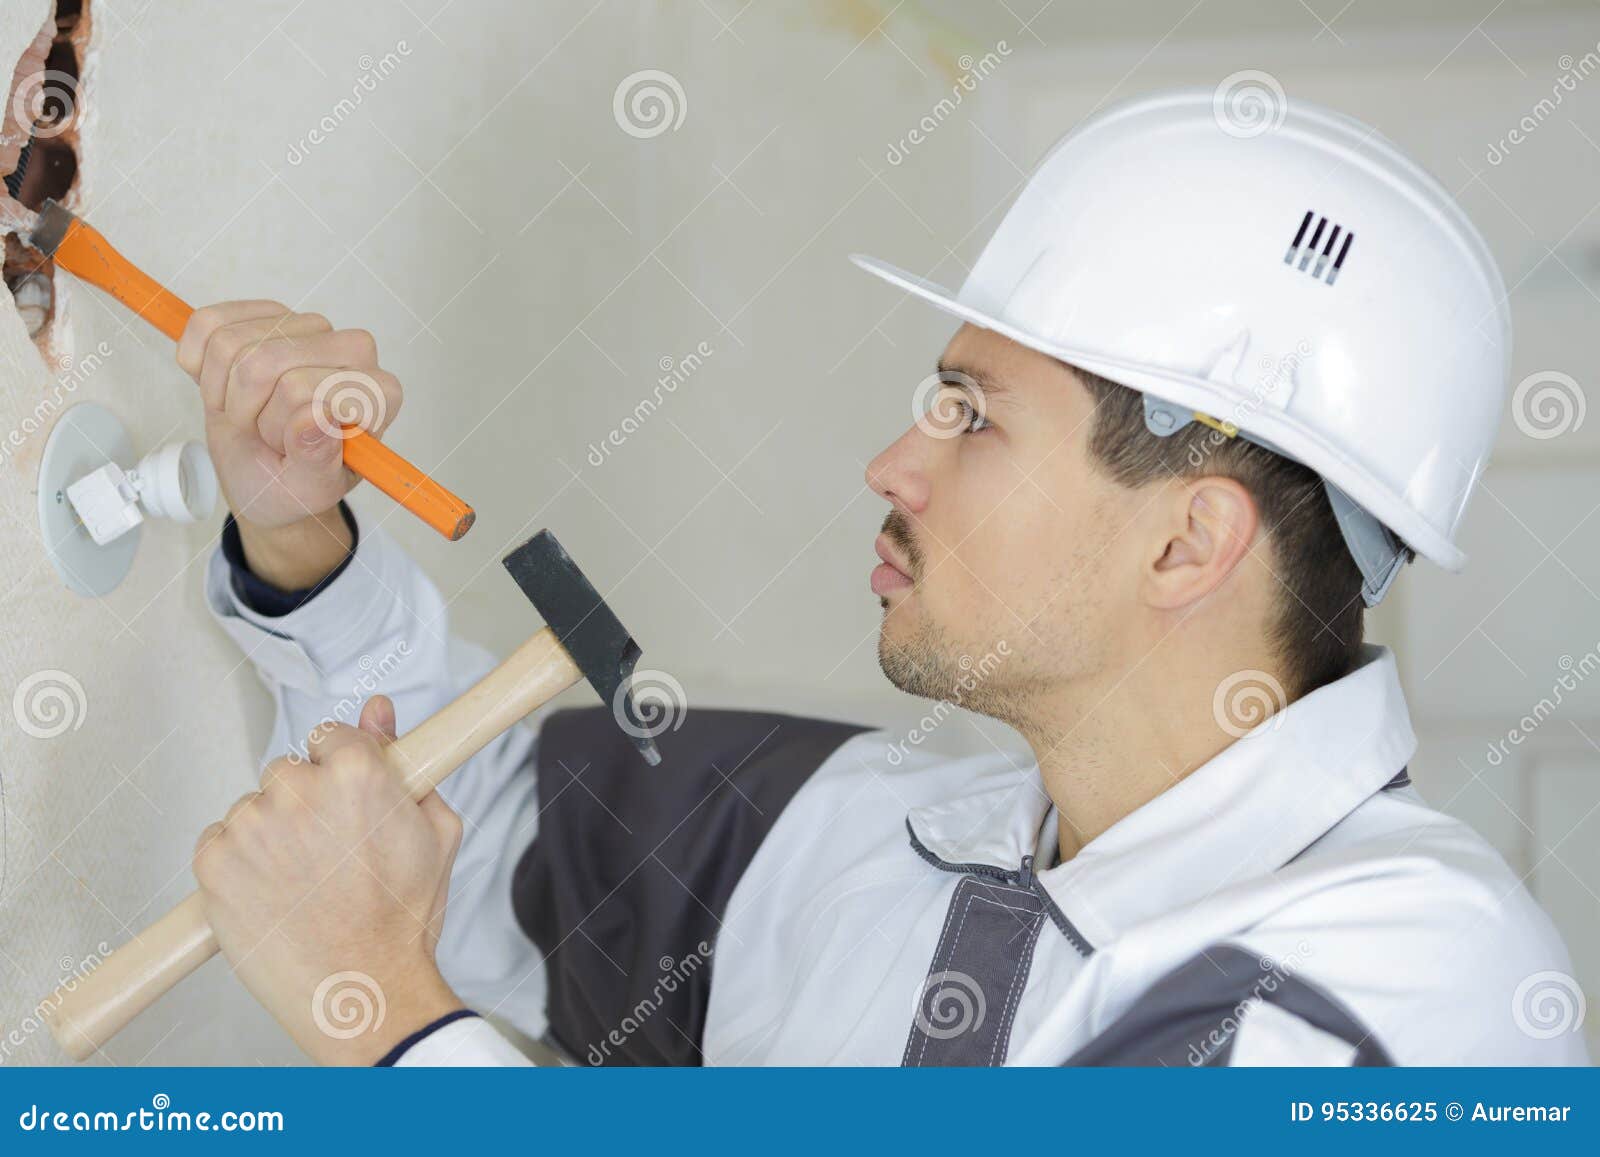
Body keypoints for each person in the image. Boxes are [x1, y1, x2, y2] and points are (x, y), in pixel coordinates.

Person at [183, 90, 1587, 1067]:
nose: (891, 464)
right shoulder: (862, 840)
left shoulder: (1407, 993)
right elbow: (446, 847)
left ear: (1188, 542)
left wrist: (388, 1032)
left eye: (972, 415)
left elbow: (377, 949)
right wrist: (303, 541)